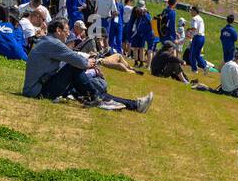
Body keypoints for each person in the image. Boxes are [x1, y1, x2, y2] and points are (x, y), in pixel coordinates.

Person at [22, 18, 153, 113]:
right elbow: (76, 60)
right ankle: (100, 99)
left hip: (41, 87)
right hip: (38, 92)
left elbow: (67, 59)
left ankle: (135, 105)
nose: (69, 34)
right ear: (58, 30)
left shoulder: (47, 41)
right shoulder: (53, 43)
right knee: (75, 68)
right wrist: (87, 63)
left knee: (89, 89)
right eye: (66, 30)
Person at [187, 7, 207, 71]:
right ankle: (205, 67)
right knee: (198, 55)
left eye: (192, 11)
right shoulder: (201, 18)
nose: (191, 12)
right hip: (202, 37)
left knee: (192, 54)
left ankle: (194, 69)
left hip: (197, 37)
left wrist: (189, 29)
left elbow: (194, 28)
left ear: (195, 11)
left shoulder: (194, 18)